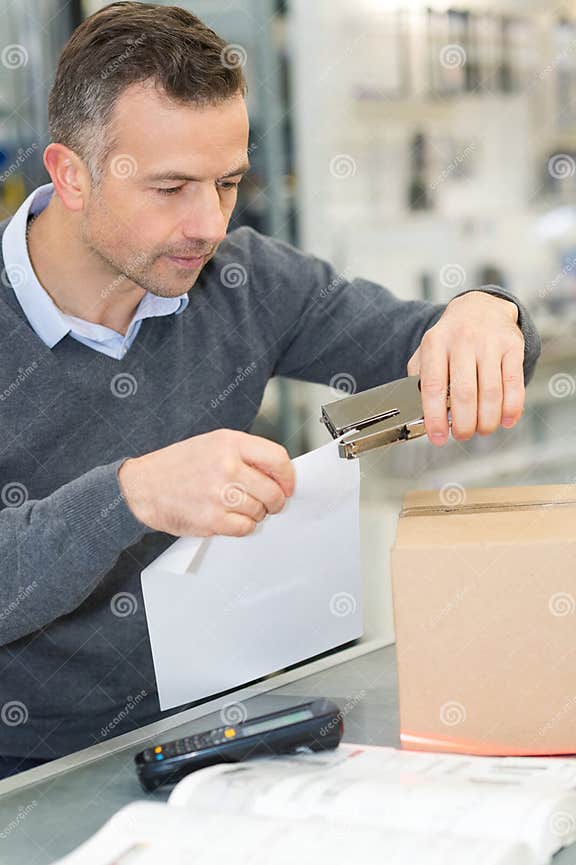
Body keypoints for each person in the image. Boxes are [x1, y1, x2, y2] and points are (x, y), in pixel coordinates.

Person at [0, 2, 540, 779]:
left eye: (226, 182)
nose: (208, 224)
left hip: (239, 737)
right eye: (172, 186)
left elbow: (436, 346)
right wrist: (130, 494)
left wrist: (489, 314)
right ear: (71, 176)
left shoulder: (246, 282)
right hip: (33, 772)